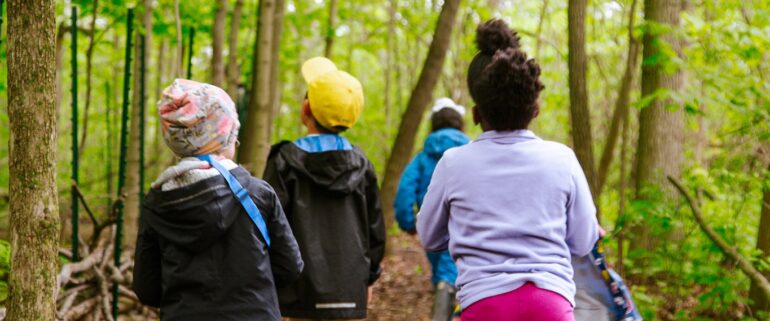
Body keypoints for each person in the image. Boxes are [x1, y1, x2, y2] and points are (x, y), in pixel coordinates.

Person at [416, 19, 599, 321]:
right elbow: (582, 241)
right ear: (535, 109)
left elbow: (430, 237)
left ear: (475, 114)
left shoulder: (453, 163)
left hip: (484, 303)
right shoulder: (562, 159)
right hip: (551, 304)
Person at [132, 79, 303, 321]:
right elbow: (290, 267)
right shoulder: (257, 194)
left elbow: (147, 289)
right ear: (225, 136)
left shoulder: (158, 202)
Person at [263, 57, 386, 321]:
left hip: (296, 293)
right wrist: (370, 278)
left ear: (305, 108)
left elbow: (268, 226)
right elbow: (375, 231)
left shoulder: (284, 160)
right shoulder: (362, 164)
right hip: (350, 290)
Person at [394, 97, 469, 321]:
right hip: (468, 225)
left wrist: (408, 223)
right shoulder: (473, 153)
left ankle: (445, 308)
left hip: (433, 228)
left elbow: (405, 191)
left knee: (444, 272)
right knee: (456, 272)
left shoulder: (422, 158)